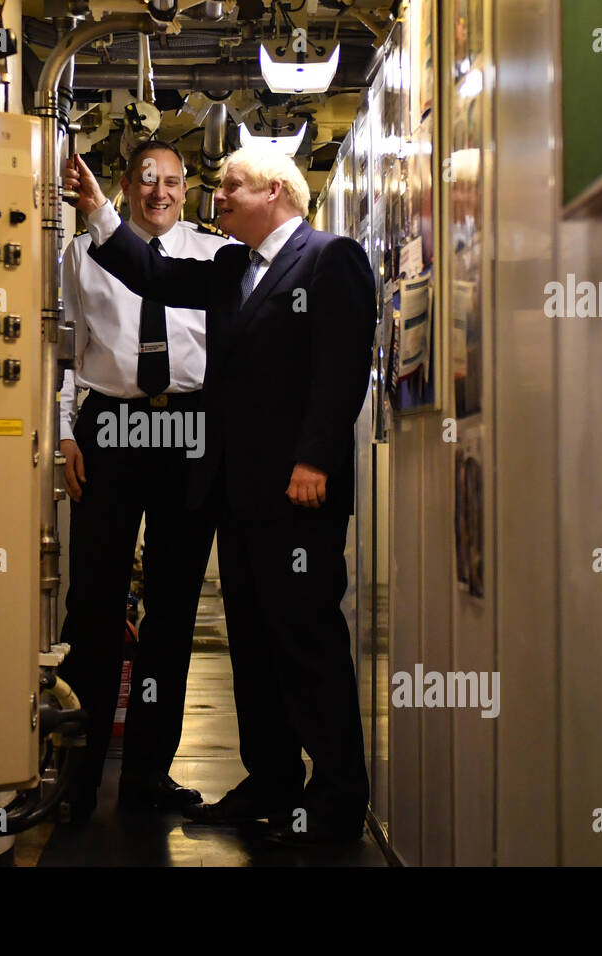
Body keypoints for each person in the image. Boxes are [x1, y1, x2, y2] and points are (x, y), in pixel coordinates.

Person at [64, 144, 376, 845]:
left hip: (298, 493)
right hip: (236, 495)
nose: (218, 198)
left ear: (275, 191)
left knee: (305, 642)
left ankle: (335, 798)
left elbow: (340, 367)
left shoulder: (331, 260)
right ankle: (271, 781)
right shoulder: (233, 267)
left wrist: (315, 460)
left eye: (230, 187)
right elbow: (151, 270)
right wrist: (100, 215)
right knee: (254, 646)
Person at [56, 140, 233, 822]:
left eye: (171, 182)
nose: (159, 192)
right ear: (127, 185)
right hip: (112, 427)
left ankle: (148, 775)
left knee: (173, 605)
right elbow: (63, 349)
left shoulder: (215, 255)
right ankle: (77, 767)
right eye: (145, 179)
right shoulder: (80, 253)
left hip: (186, 428)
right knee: (93, 600)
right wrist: (65, 429)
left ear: (186, 190)